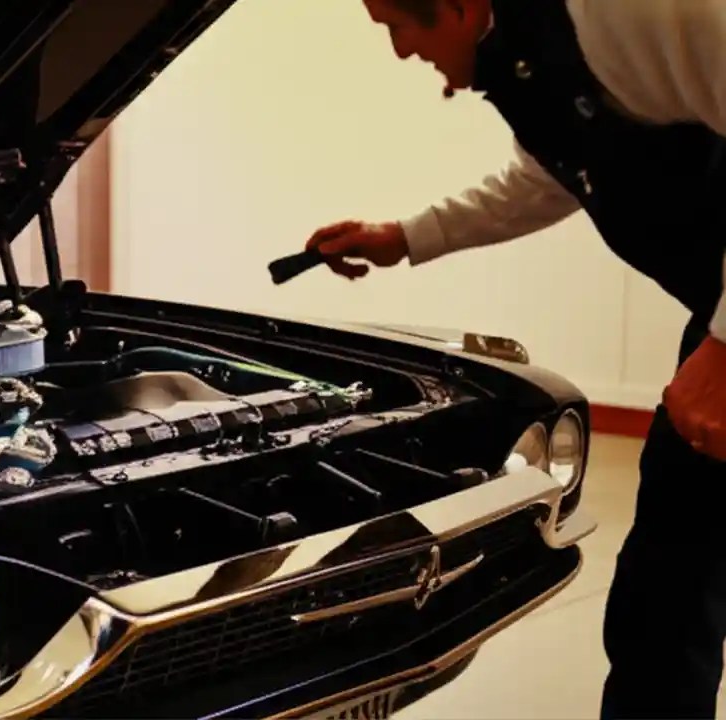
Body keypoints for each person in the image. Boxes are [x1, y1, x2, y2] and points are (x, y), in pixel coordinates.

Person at [304, 0, 726, 717]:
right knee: (667, 588)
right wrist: (404, 236)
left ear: (463, 9)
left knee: (675, 577)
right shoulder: (536, 55)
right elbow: (550, 176)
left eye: (399, 27)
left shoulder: (641, 11)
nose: (402, 51)